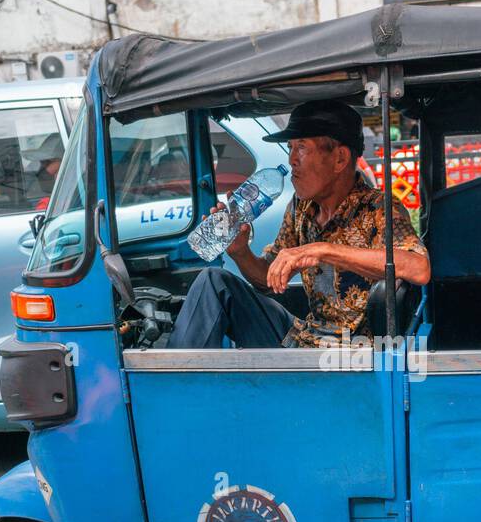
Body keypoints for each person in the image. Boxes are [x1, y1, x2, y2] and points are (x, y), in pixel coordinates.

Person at [168, 100, 430, 349]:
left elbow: (418, 268)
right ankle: (173, 386)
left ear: (340, 158)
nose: (292, 159)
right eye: (291, 148)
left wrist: (321, 250)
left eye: (302, 147)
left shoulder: (379, 208)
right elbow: (267, 279)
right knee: (213, 282)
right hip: (305, 337)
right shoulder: (301, 207)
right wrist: (239, 251)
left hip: (347, 355)